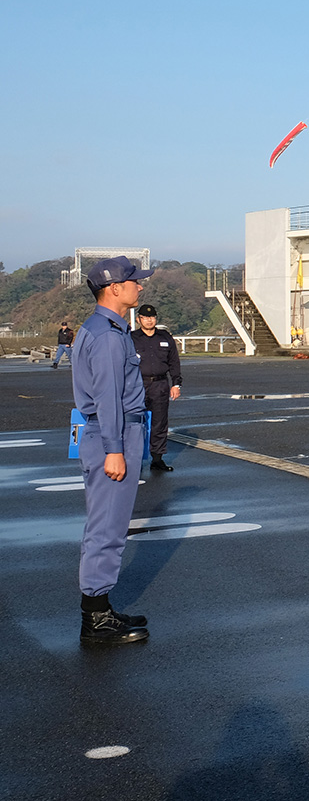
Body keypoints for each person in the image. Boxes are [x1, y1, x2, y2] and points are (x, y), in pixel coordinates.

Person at [73, 255, 154, 644]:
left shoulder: (109, 329)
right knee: (107, 527)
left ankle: (100, 607)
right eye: (136, 281)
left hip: (114, 434)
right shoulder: (107, 335)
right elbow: (107, 397)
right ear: (114, 288)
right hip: (114, 435)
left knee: (106, 525)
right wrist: (114, 448)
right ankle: (96, 618)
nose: (141, 286)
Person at [130, 304, 182, 473]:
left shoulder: (165, 337)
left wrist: (176, 383)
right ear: (139, 320)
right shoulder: (131, 338)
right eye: (145, 317)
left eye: (152, 317)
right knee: (135, 422)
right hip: (138, 384)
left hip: (160, 384)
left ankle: (157, 459)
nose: (149, 320)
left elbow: (174, 362)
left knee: (160, 422)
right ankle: (134, 460)